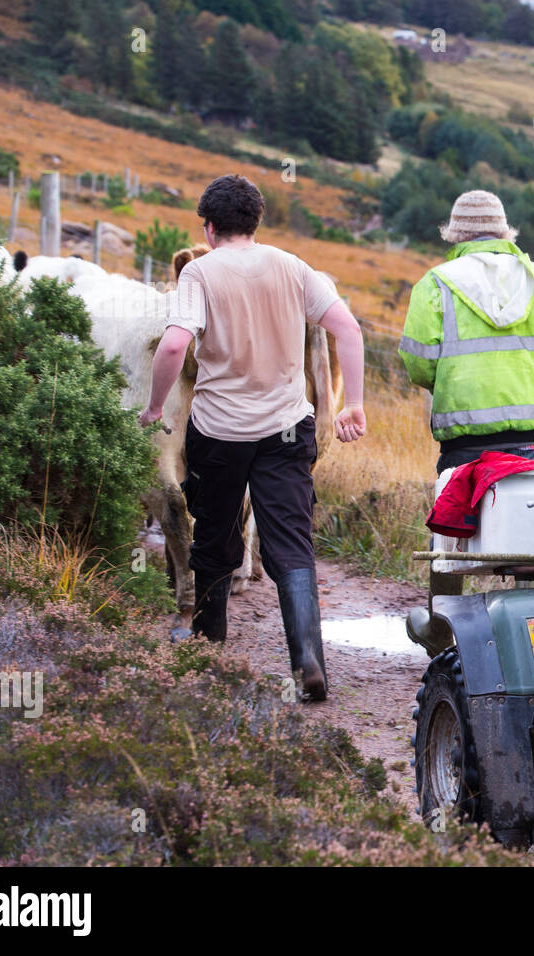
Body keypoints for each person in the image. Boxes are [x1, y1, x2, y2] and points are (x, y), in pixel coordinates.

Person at [140, 174, 367, 702]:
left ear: (210, 226)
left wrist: (155, 406)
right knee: (291, 542)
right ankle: (307, 660)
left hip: (220, 433)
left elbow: (174, 347)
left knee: (215, 538)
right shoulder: (293, 267)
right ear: (256, 223)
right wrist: (352, 404)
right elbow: (348, 329)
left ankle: (207, 652)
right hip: (287, 428)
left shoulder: (198, 273)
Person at [398, 190, 534, 474]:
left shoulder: (435, 283)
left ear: (455, 234)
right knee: (525, 517)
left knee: (465, 518)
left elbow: (418, 365)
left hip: (463, 445)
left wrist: (448, 379)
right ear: (504, 232)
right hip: (530, 443)